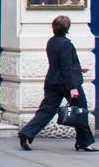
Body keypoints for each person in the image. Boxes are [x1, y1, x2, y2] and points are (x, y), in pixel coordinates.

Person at [18, 15, 95, 152]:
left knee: (47, 109)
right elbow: (65, 67)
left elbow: (59, 64)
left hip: (52, 81)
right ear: (67, 28)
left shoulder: (52, 42)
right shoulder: (66, 44)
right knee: (81, 110)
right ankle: (84, 142)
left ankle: (27, 133)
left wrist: (78, 69)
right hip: (66, 82)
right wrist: (72, 88)